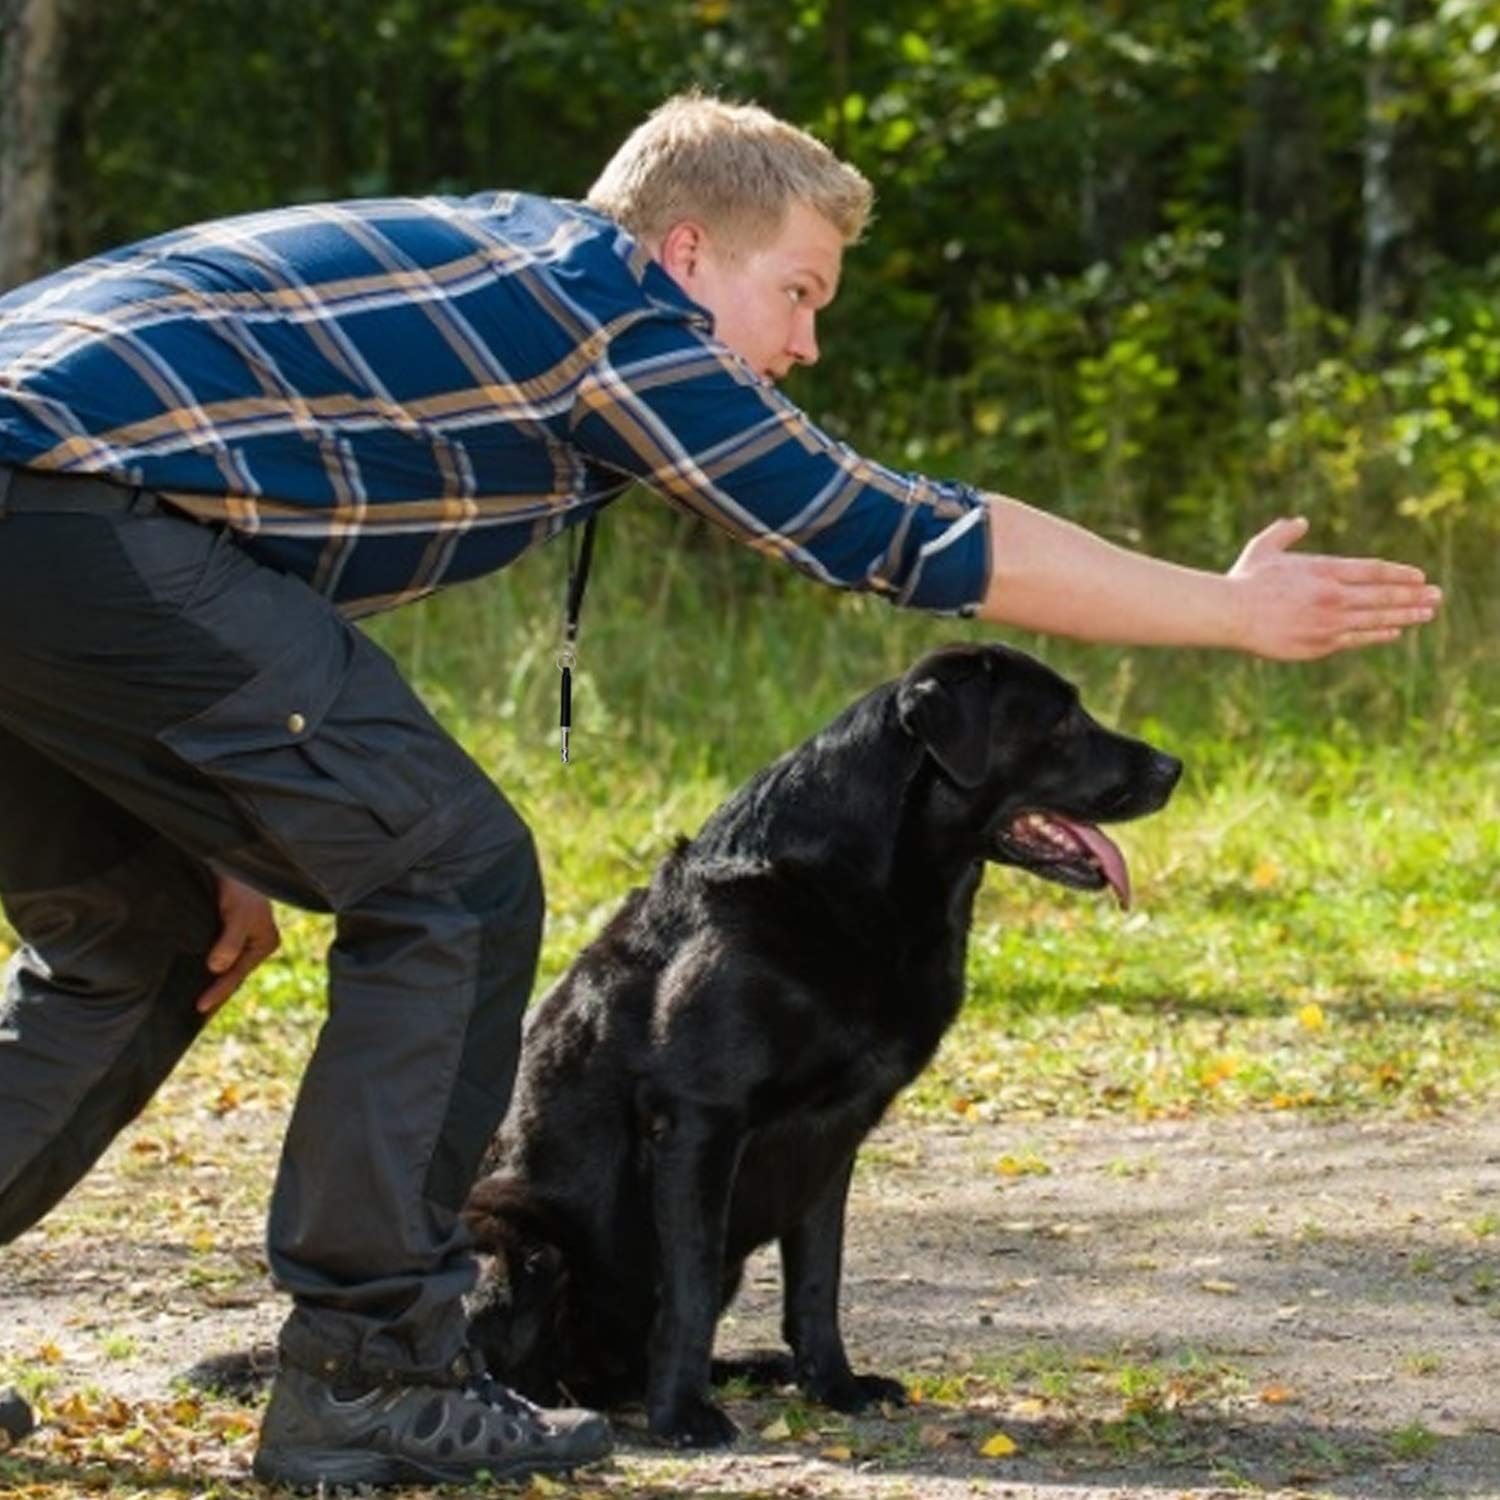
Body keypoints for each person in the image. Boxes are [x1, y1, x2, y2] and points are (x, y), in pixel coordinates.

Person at [0, 93, 1439, 1489]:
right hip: (59, 514)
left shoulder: (494, 275)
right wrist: (1228, 609)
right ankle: (373, 1375)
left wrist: (196, 814)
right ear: (689, 253)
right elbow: (886, 527)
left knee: (141, 934)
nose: (807, 344)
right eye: (800, 293)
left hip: (57, 526)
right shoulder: (612, 307)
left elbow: (212, 512)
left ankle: (368, 1360)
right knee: (451, 874)